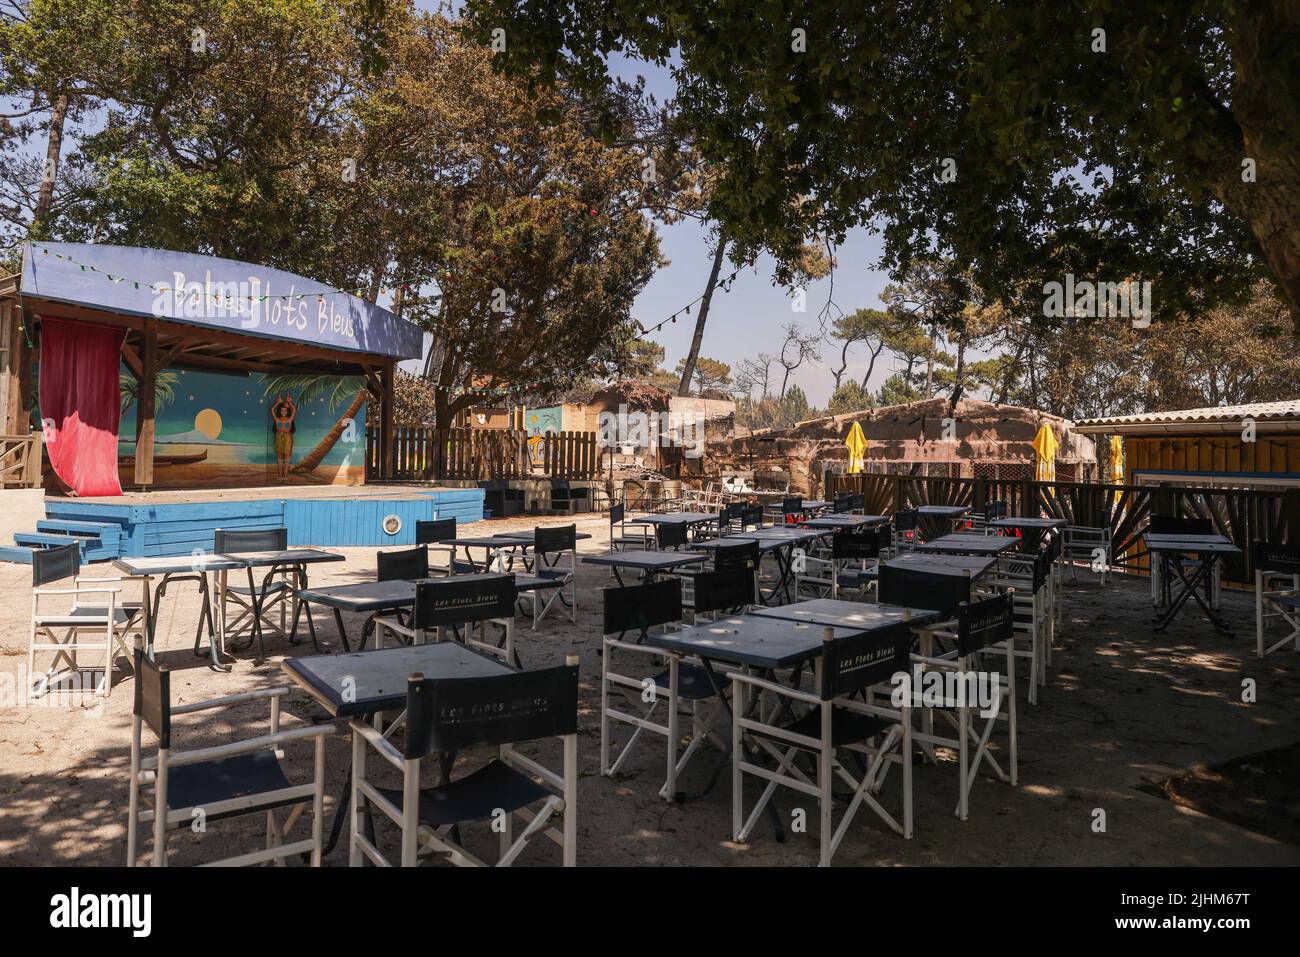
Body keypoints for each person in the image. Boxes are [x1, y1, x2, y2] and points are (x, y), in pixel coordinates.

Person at [271, 393, 297, 481]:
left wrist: (290, 403)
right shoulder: (277, 419)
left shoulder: (289, 420)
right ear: (280, 411)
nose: (283, 412)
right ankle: (280, 476)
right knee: (279, 458)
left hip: (287, 438)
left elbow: (294, 411)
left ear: (287, 411)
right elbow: (272, 410)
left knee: (286, 458)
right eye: (282, 411)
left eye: (285, 411)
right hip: (278, 437)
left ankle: (285, 476)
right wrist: (278, 403)